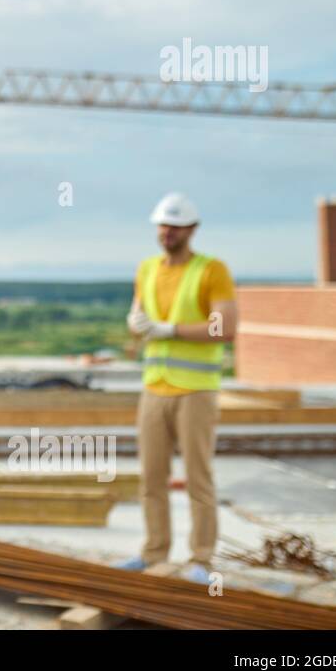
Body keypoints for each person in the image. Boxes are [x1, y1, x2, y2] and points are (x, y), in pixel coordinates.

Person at [116, 192, 236, 585]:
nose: (167, 232)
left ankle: (201, 558)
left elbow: (225, 327)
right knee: (151, 478)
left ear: (192, 229)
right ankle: (153, 552)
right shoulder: (147, 269)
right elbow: (140, 314)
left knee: (198, 478)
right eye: (163, 225)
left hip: (196, 390)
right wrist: (136, 323)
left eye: (176, 226)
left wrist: (170, 330)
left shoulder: (211, 270)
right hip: (154, 388)